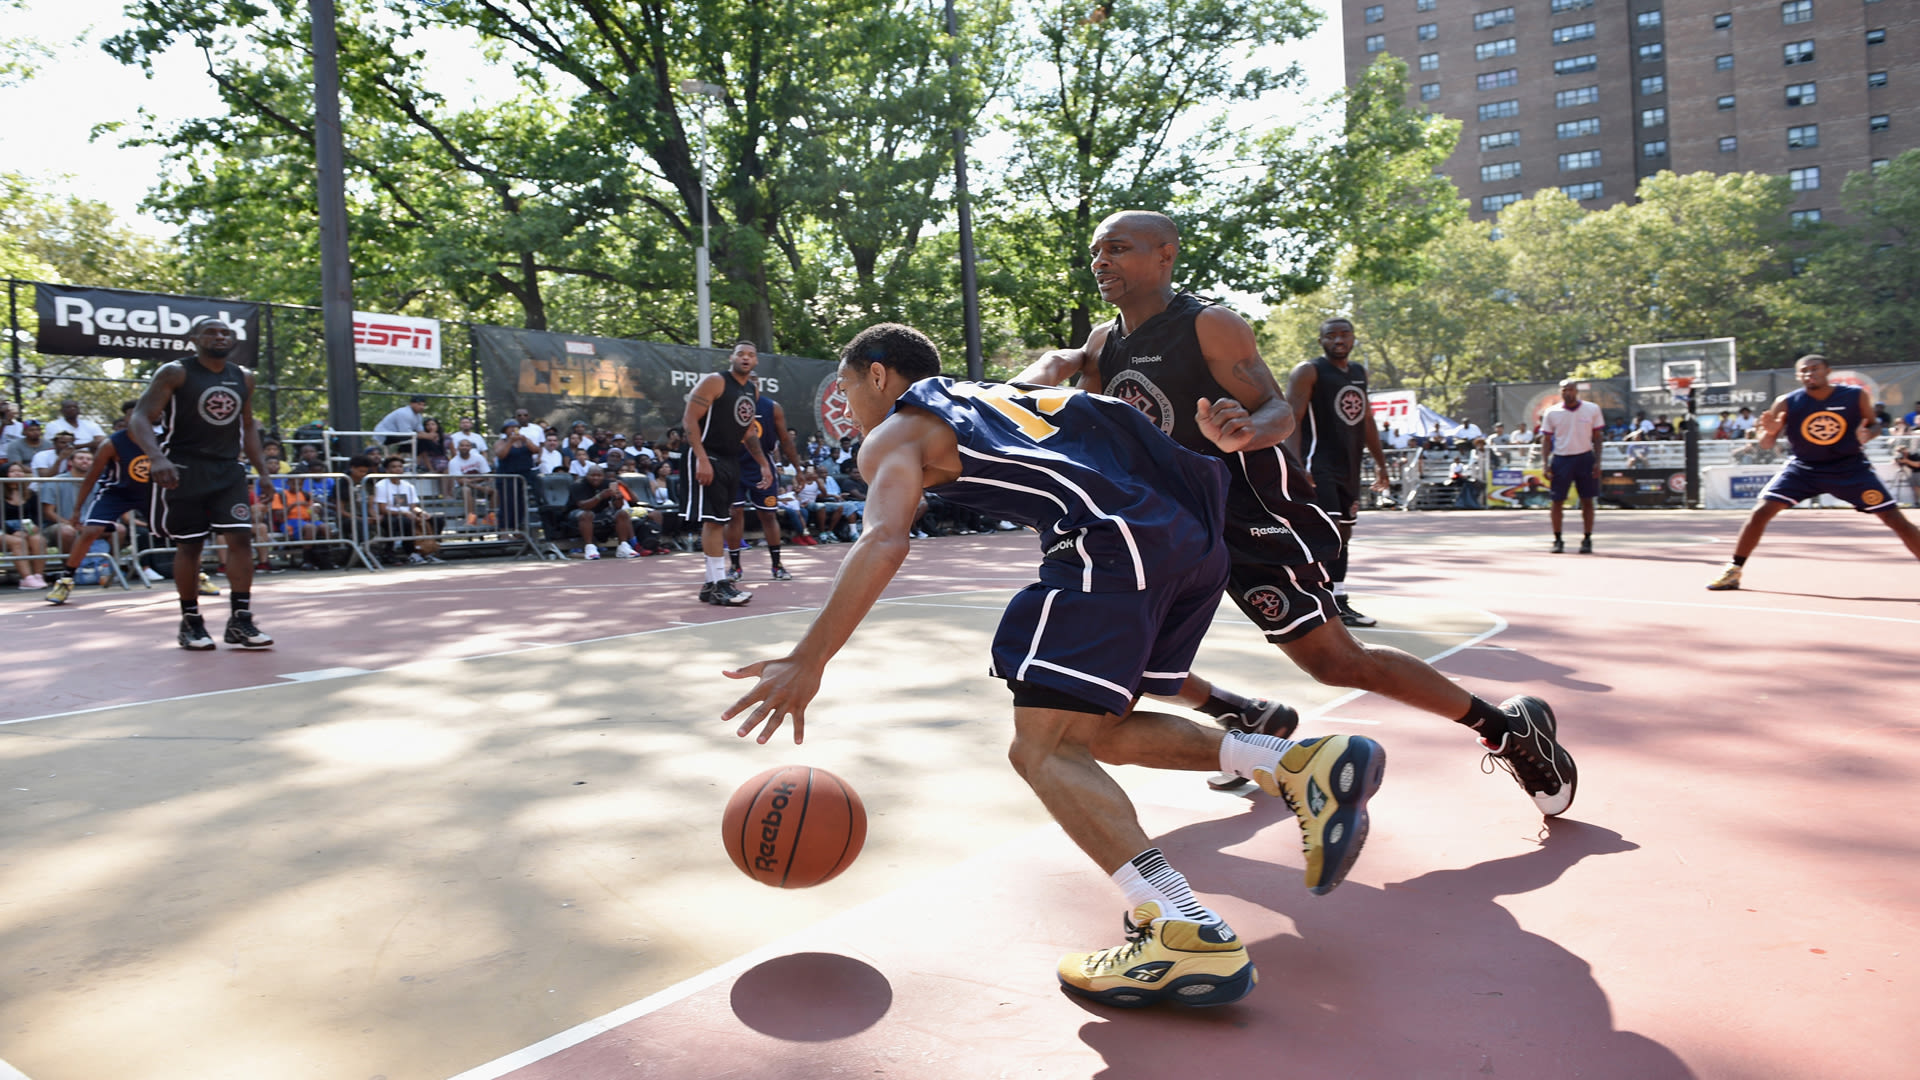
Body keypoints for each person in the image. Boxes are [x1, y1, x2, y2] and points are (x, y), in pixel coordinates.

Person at [725, 323, 1386, 1009]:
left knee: (1042, 750)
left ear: (879, 375)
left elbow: (884, 539)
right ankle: (1298, 765)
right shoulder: (989, 395)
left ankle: (1179, 928)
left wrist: (807, 660)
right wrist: (1080, 356)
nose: (848, 406)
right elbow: (1053, 370)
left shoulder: (896, 432)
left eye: (848, 386)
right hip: (1191, 538)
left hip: (1111, 542)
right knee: (1098, 733)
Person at [1016, 210, 1575, 815]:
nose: (1100, 262)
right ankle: (1244, 715)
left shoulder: (1210, 325)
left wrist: (1245, 434)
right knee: (1128, 667)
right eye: (1096, 252)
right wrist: (1045, 374)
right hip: (1164, 528)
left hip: (1243, 517)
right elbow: (1083, 402)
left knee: (1335, 662)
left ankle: (1505, 728)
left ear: (1165, 255)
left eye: (1118, 249)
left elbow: (1277, 411)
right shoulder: (1103, 344)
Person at [1707, 354, 1920, 590]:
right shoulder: (1787, 402)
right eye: (1804, 370)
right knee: (1761, 512)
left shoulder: (1854, 395)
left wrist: (1869, 433)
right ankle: (1734, 570)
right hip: (1804, 468)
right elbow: (1766, 444)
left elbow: (1874, 424)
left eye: (1815, 368)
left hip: (1850, 467)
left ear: (1828, 371)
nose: (1810, 373)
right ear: (1798, 376)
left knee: (1895, 519)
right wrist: (1771, 432)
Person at [127, 317, 274, 649]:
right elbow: (140, 416)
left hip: (227, 469)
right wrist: (156, 457)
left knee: (241, 539)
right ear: (193, 338)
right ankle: (191, 621)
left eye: (225, 332)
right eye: (211, 332)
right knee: (190, 545)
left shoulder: (244, 377)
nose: (220, 336)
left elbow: (248, 426)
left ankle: (241, 620)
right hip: (184, 467)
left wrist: (263, 472)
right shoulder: (175, 372)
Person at [1286, 317, 1391, 626]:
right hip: (1319, 464)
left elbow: (1366, 420)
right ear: (1321, 341)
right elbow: (1292, 417)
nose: (1338, 340)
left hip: (1350, 466)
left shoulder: (1358, 373)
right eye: (1331, 335)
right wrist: (1296, 465)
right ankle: (1316, 599)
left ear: (1354, 337)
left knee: (1344, 533)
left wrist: (1381, 465)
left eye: (1344, 334)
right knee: (1327, 532)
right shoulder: (1309, 371)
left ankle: (1338, 599)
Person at [681, 340, 774, 606]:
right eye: (740, 354)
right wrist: (701, 459)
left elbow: (748, 431)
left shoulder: (752, 390)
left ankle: (711, 584)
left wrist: (763, 463)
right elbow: (689, 419)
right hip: (707, 454)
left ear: (756, 361)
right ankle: (720, 584)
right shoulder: (715, 381)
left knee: (721, 519)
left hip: (730, 458)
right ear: (731, 358)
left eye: (751, 355)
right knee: (713, 521)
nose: (746, 358)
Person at [46, 401, 153, 605]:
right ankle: (66, 580)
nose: (136, 418)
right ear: (126, 419)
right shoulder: (112, 443)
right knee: (90, 531)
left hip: (149, 492)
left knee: (178, 531)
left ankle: (197, 576)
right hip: (115, 493)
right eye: (131, 414)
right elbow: (91, 477)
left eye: (141, 413)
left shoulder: (160, 440)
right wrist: (77, 509)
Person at [726, 389, 804, 582]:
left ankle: (777, 565)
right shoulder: (728, 403)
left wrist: (798, 469)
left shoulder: (771, 407)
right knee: (734, 514)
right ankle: (735, 567)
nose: (749, 383)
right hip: (734, 465)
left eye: (754, 379)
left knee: (769, 515)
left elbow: (785, 440)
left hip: (762, 468)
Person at [1539, 378, 1606, 554]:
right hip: (1561, 459)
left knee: (1587, 500)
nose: (1567, 393)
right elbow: (1546, 440)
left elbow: (1597, 437)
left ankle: (1587, 539)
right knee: (1557, 501)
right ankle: (1557, 539)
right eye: (1564, 390)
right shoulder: (1552, 412)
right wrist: (1545, 464)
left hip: (1585, 458)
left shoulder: (1592, 409)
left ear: (1576, 391)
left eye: (1570, 389)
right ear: (1560, 392)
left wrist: (1598, 462)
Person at [372, 455, 445, 564]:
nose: (398, 469)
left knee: (437, 520)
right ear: (387, 470)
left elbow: (413, 506)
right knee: (405, 522)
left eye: (400, 466)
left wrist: (421, 512)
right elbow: (382, 509)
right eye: (394, 467)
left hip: (408, 514)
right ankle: (411, 553)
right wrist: (403, 513)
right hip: (391, 516)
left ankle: (429, 550)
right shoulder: (381, 485)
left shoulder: (408, 486)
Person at [570, 463, 640, 560]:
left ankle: (623, 546)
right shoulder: (578, 485)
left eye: (599, 475)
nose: (596, 478)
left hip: (602, 512)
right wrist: (600, 496)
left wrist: (618, 498)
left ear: (603, 476)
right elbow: (583, 505)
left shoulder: (608, 484)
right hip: (577, 513)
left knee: (622, 513)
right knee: (587, 514)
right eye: (593, 475)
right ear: (587, 475)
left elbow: (618, 507)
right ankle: (590, 547)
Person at [3, 461, 50, 588]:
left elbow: (37, 514)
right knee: (18, 542)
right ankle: (27, 578)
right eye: (12, 471)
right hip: (4, 530)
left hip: (26, 528)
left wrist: (35, 526)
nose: (17, 474)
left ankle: (38, 576)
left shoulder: (30, 494)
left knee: (38, 539)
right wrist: (12, 532)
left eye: (19, 471)